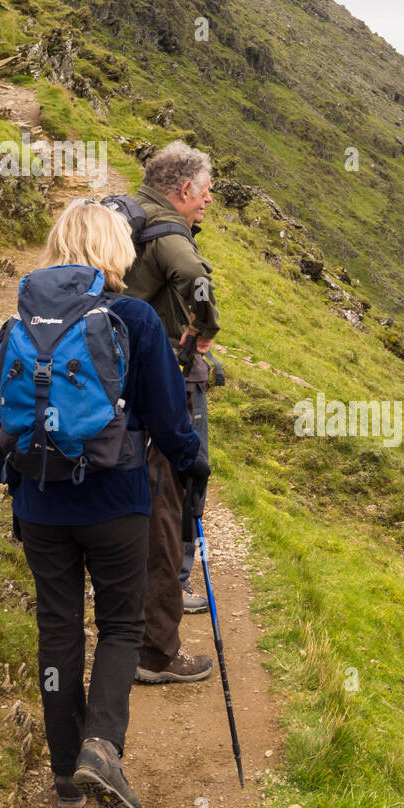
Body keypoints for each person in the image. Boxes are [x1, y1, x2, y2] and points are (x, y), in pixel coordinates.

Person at [0, 200, 209, 808]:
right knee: (119, 626)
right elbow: (169, 420)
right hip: (115, 500)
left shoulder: (25, 317)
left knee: (57, 630)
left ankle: (66, 777)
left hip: (39, 499)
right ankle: (101, 748)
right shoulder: (134, 317)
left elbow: (9, 416)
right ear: (116, 249)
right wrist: (194, 469)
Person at [122, 142, 221, 681]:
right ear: (183, 190)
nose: (208, 203)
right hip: (156, 387)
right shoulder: (168, 235)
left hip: (106, 382)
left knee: (132, 507)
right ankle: (156, 652)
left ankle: (125, 626)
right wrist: (203, 331)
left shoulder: (119, 213)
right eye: (205, 193)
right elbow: (196, 281)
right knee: (164, 512)